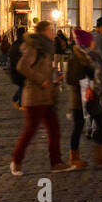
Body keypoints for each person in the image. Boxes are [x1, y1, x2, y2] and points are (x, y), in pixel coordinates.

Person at [10, 21, 69, 176]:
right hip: (35, 97)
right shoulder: (35, 47)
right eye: (50, 30)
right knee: (30, 131)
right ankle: (16, 161)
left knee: (55, 131)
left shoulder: (48, 48)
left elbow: (48, 68)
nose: (52, 32)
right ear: (42, 32)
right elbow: (22, 66)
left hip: (47, 97)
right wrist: (41, 80)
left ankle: (56, 163)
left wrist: (57, 76)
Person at [66, 28, 102, 169]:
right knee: (78, 127)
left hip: (90, 97)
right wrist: (86, 85)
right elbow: (71, 78)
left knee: (101, 121)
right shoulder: (76, 58)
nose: (94, 43)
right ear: (87, 43)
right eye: (91, 41)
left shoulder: (89, 56)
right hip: (78, 100)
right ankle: (74, 158)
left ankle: (100, 155)